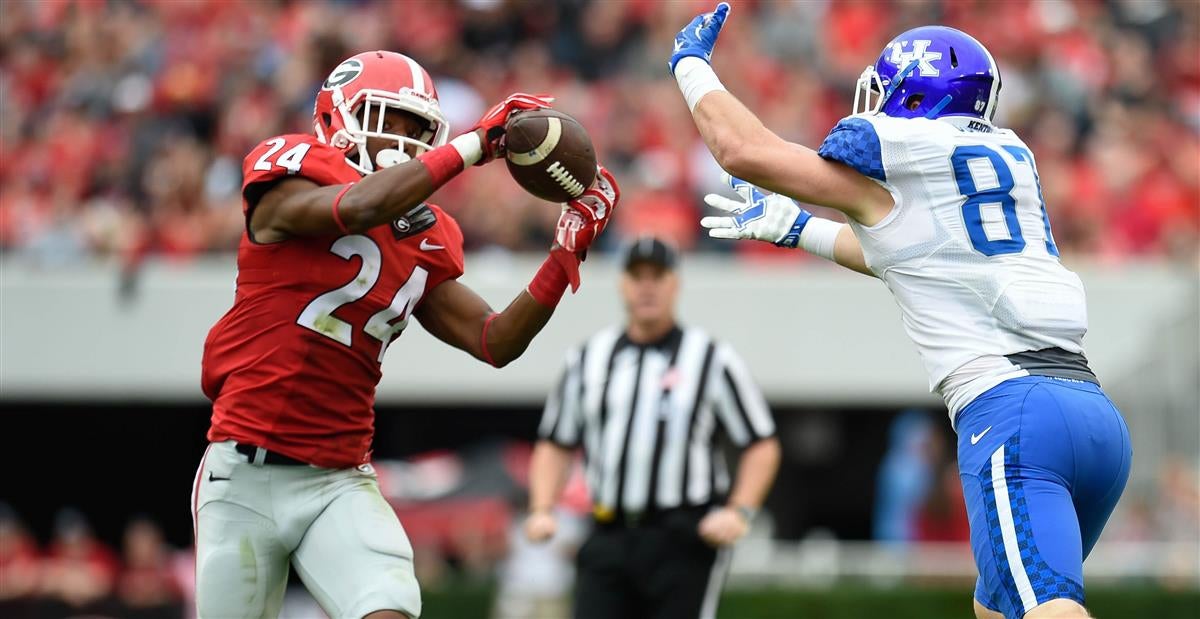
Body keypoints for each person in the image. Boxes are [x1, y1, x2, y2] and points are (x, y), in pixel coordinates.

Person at [669, 5, 1132, 619]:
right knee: (996, 609)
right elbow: (913, 252)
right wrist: (801, 230)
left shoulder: (905, 149)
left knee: (1046, 610)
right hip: (1093, 415)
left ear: (912, 93)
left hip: (1014, 413)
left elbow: (741, 150)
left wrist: (691, 66)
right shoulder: (1009, 156)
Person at [194, 50, 619, 619]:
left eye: (416, 128)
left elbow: (495, 341)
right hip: (243, 473)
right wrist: (474, 145)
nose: (401, 137)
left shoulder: (426, 231)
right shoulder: (288, 170)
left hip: (337, 479)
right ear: (338, 115)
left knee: (388, 608)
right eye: (387, 119)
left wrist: (564, 253)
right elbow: (359, 205)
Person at [525, 235, 781, 619]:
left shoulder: (711, 358)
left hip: (682, 536)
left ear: (674, 283)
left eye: (656, 276)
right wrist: (543, 507)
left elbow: (761, 442)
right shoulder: (588, 358)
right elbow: (556, 442)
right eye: (636, 275)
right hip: (607, 531)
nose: (647, 286)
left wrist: (739, 511)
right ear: (622, 283)